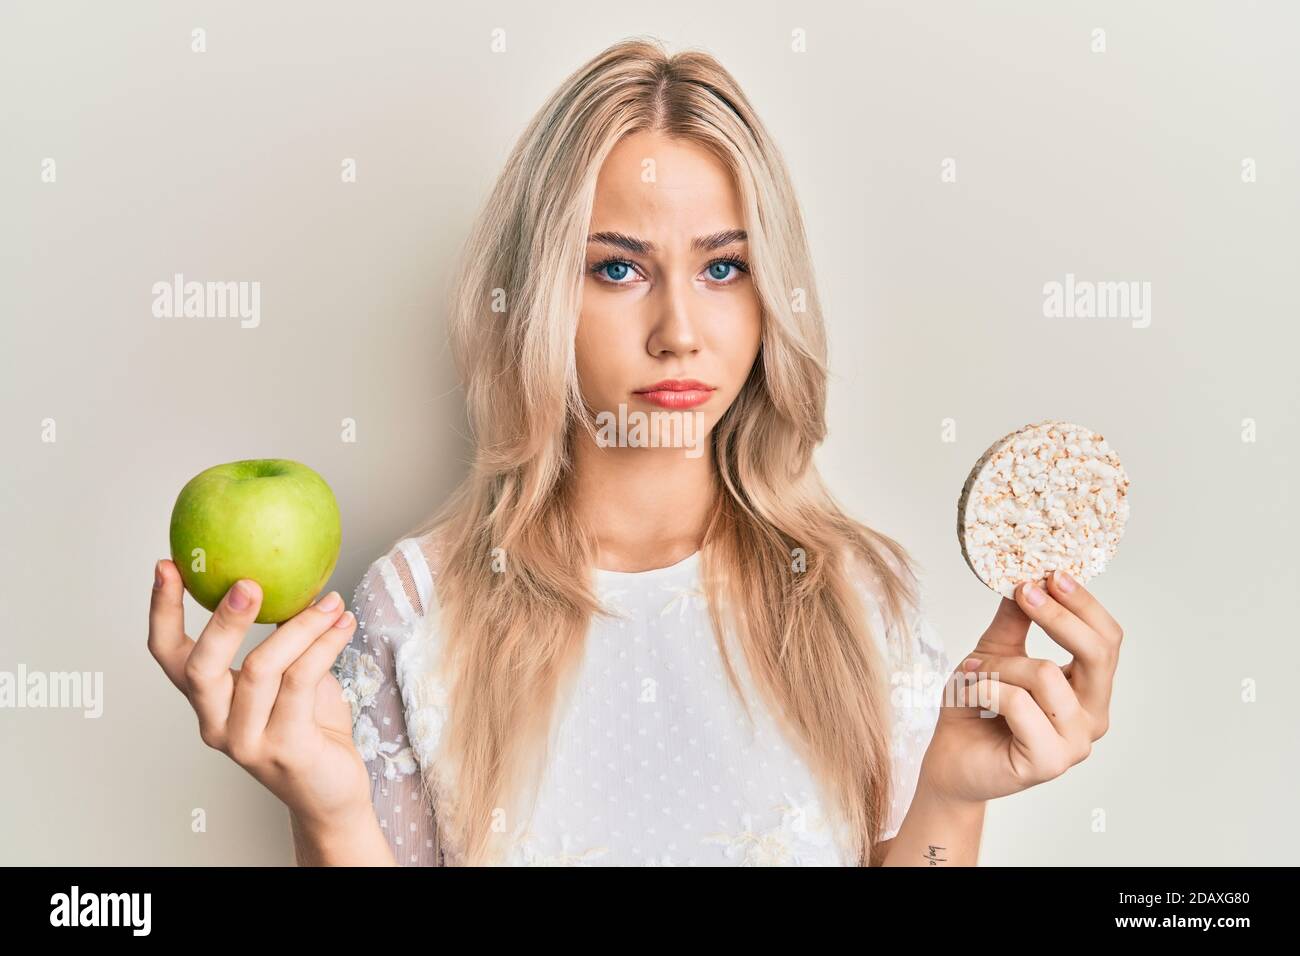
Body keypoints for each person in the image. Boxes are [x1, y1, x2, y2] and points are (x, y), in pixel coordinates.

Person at [147, 37, 1123, 867]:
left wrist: (952, 790)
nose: (678, 330)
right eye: (617, 267)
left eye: (723, 266)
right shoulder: (416, 606)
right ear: (536, 299)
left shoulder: (856, 593)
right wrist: (328, 812)